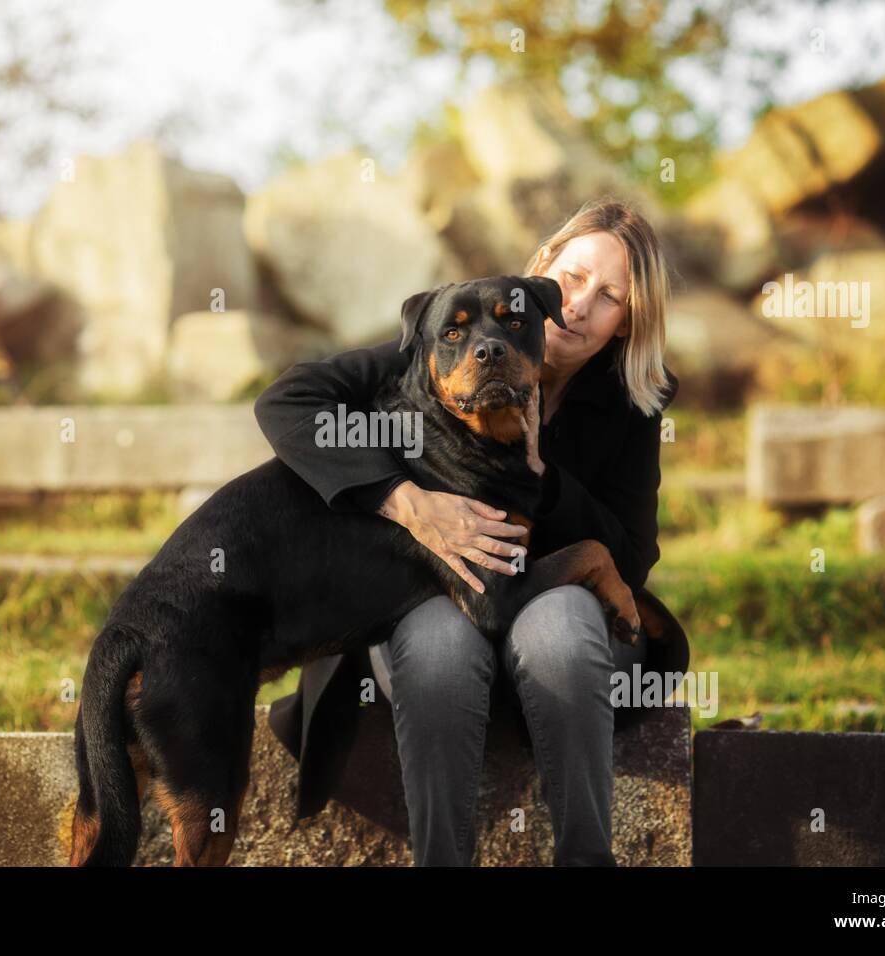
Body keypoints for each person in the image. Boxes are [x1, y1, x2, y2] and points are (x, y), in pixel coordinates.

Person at [254, 198, 681, 866]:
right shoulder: (448, 338)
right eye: (571, 278)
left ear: (629, 324)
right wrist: (404, 502)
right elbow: (286, 402)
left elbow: (629, 562)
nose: (577, 306)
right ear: (542, 268)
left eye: (609, 298)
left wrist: (547, 481)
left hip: (548, 625)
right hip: (433, 601)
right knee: (435, 640)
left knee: (565, 621)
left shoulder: (632, 402)